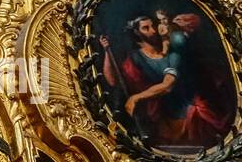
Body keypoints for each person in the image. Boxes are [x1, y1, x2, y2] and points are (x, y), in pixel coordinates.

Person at [99, 15, 233, 150]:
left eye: (153, 26)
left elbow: (167, 86)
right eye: (146, 28)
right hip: (162, 116)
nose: (153, 30)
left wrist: (136, 97)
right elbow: (112, 81)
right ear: (137, 32)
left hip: (187, 108)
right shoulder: (136, 57)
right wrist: (106, 52)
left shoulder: (172, 52)